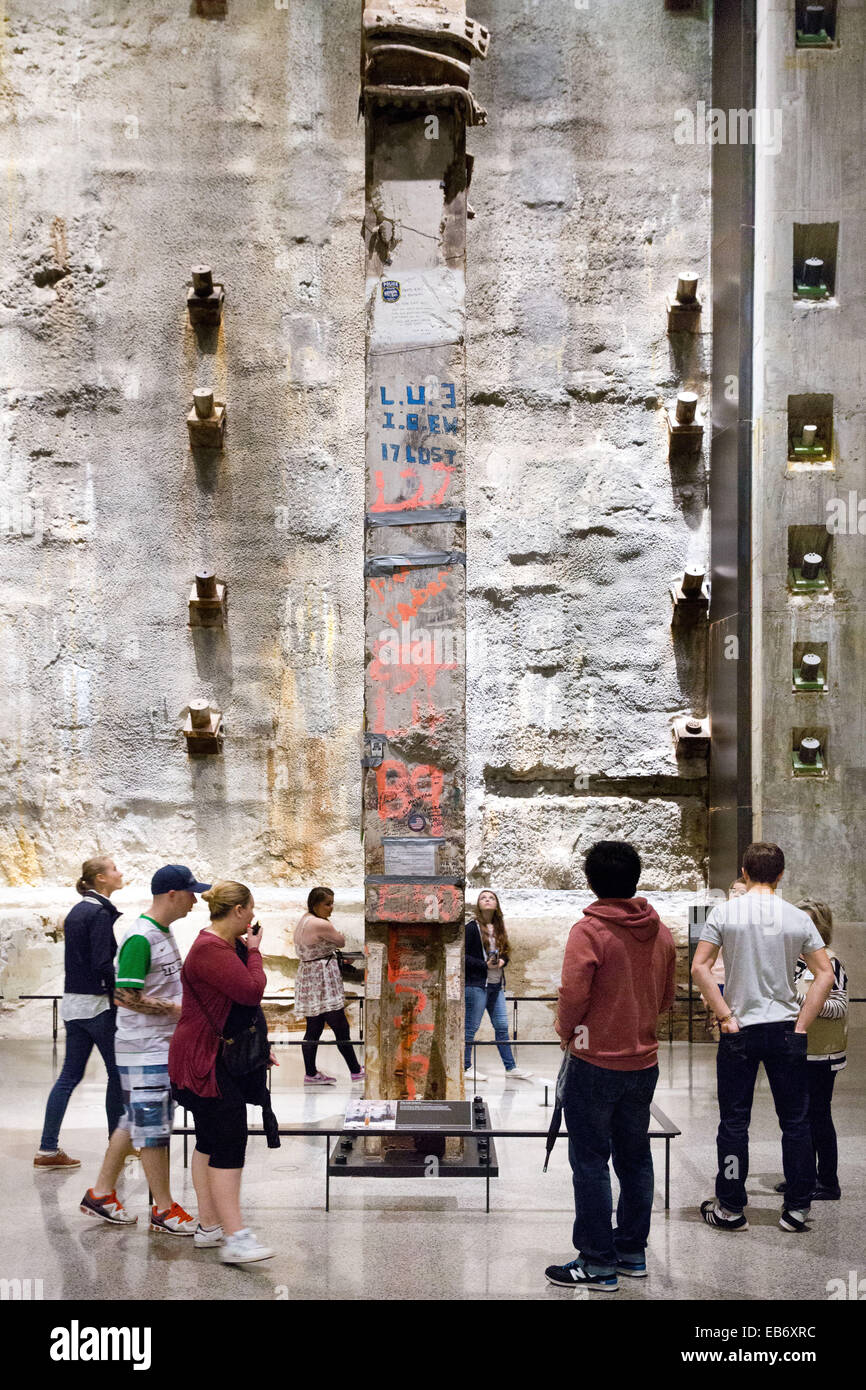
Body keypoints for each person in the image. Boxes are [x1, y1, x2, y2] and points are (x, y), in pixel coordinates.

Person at [545, 842, 676, 1291]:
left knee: (590, 1160)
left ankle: (598, 1261)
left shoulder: (590, 930)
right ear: (636, 876)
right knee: (635, 1157)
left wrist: (566, 1029)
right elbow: (665, 999)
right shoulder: (661, 932)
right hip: (643, 1062)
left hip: (595, 1061)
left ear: (591, 881)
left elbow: (574, 992)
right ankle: (631, 1252)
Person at [691, 842, 835, 1235]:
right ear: (781, 874)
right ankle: (797, 1209)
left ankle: (732, 1206)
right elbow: (825, 974)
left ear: (744, 871)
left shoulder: (725, 912)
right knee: (796, 1121)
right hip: (786, 1029)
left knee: (734, 1122)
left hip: (740, 1029)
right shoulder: (796, 917)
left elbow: (700, 967)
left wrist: (725, 1015)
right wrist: (802, 1024)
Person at [81, 864, 210, 1234]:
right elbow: (124, 995)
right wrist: (175, 1010)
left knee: (133, 1119)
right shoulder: (140, 937)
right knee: (152, 1127)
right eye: (190, 893)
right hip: (144, 1046)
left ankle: (101, 1193)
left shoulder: (162, 932)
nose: (195, 900)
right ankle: (164, 1210)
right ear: (172, 894)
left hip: (156, 1044)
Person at [170, 881, 275, 1265]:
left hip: (206, 1051)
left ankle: (209, 1226)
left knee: (210, 1139)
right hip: (204, 1058)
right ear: (241, 911)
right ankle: (236, 1237)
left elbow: (235, 1008)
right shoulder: (211, 949)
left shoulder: (217, 945)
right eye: (251, 907)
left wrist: (259, 1047)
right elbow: (250, 991)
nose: (252, 913)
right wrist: (256, 952)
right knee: (229, 1139)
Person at [34, 856, 126, 1173]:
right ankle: (119, 1146)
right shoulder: (99, 913)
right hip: (98, 1005)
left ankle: (47, 1149)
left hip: (74, 1004)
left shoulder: (77, 911)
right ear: (100, 878)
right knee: (118, 1076)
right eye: (114, 869)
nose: (120, 873)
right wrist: (120, 992)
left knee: (68, 1077)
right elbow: (102, 962)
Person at [773, 900, 847, 1201]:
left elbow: (839, 1007)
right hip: (796, 1050)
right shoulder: (794, 961)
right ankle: (801, 1178)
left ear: (820, 928)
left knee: (817, 1116)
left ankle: (827, 1181)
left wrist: (805, 1000)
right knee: (796, 1118)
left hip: (821, 1052)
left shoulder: (831, 962)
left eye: (807, 924)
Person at [294, 887, 364, 1085]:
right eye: (327, 904)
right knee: (339, 1025)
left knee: (313, 1027)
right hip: (322, 977)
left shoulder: (305, 918)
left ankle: (311, 1073)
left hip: (309, 974)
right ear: (315, 904)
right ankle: (355, 1070)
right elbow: (340, 941)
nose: (331, 908)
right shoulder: (320, 923)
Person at [464, 890, 532, 1082]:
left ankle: (510, 1068)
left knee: (502, 1026)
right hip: (477, 985)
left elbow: (506, 952)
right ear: (478, 904)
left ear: (496, 904)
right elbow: (463, 956)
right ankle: (465, 1067)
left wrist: (502, 960)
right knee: (471, 1028)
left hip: (496, 985)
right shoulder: (471, 928)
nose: (487, 899)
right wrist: (483, 965)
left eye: (491, 897)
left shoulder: (499, 928)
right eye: (483, 897)